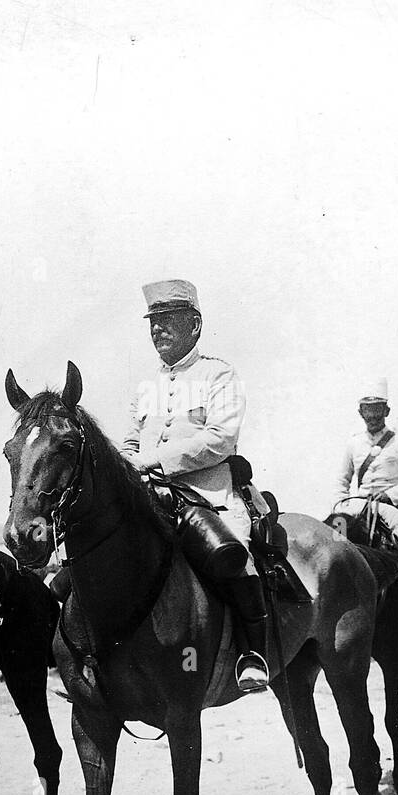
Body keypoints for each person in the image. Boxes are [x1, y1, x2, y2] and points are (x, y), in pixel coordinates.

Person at [123, 280, 270, 694]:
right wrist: (129, 462)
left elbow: (220, 439)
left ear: (195, 325)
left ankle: (252, 654)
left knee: (233, 554)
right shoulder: (145, 385)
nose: (157, 329)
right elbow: (130, 442)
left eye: (167, 320)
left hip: (208, 494)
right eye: (153, 321)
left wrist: (152, 461)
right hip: (149, 494)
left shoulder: (218, 374)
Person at [332, 380, 398, 642]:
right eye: (367, 410)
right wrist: (341, 506)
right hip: (357, 506)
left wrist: (391, 496)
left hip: (393, 507)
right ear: (360, 412)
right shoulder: (353, 444)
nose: (372, 416)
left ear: (386, 411)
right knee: (332, 543)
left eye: (377, 409)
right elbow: (341, 481)